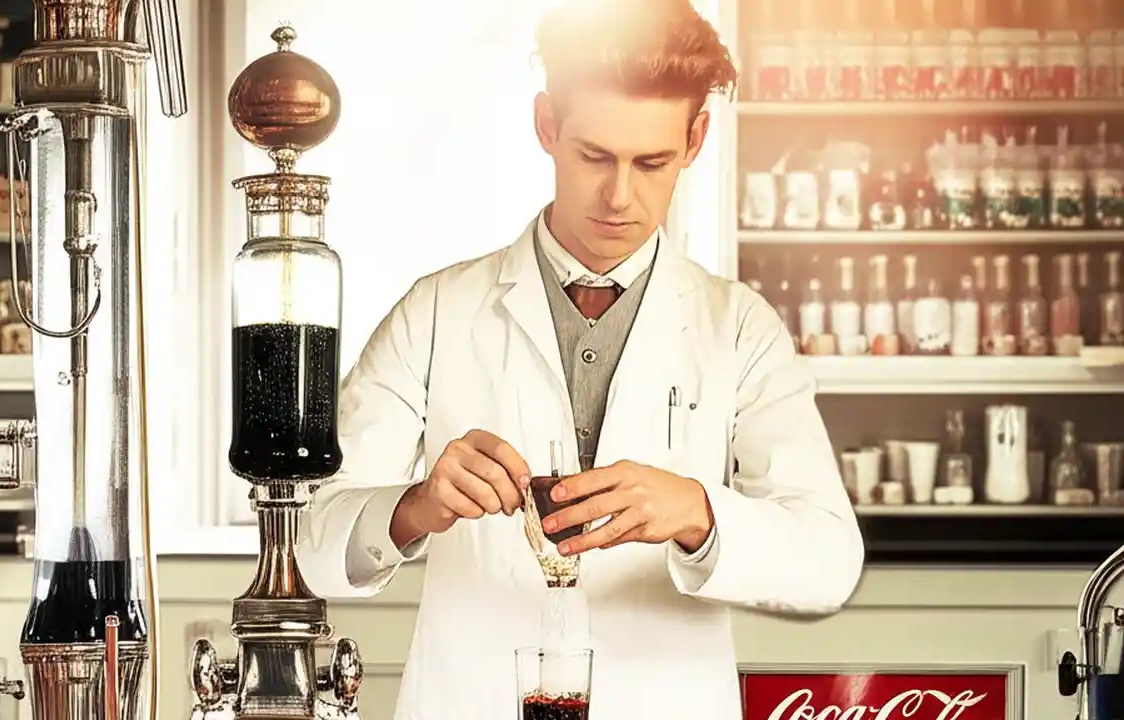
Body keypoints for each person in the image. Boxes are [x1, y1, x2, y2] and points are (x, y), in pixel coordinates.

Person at [297, 0, 864, 717]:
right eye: (595, 156)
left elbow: (829, 562)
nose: (620, 195)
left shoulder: (739, 329)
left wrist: (697, 512)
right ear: (547, 125)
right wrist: (417, 506)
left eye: (652, 162)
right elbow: (310, 548)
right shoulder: (437, 311)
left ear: (695, 139)